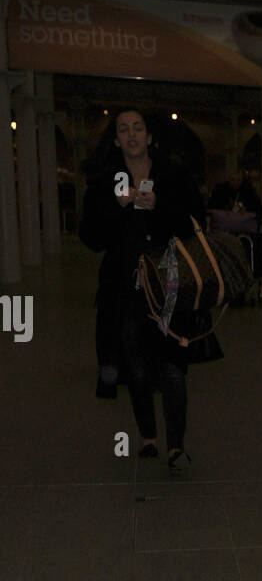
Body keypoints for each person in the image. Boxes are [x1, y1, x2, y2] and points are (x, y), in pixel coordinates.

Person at [79, 107, 207, 471]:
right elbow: (90, 236)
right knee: (135, 365)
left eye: (138, 128)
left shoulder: (173, 174)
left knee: (171, 366)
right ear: (117, 138)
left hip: (170, 284)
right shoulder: (105, 181)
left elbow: (194, 223)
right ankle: (149, 436)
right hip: (125, 288)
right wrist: (117, 207)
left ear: (150, 137)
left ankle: (176, 446)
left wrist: (160, 206)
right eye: (124, 129)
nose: (132, 134)